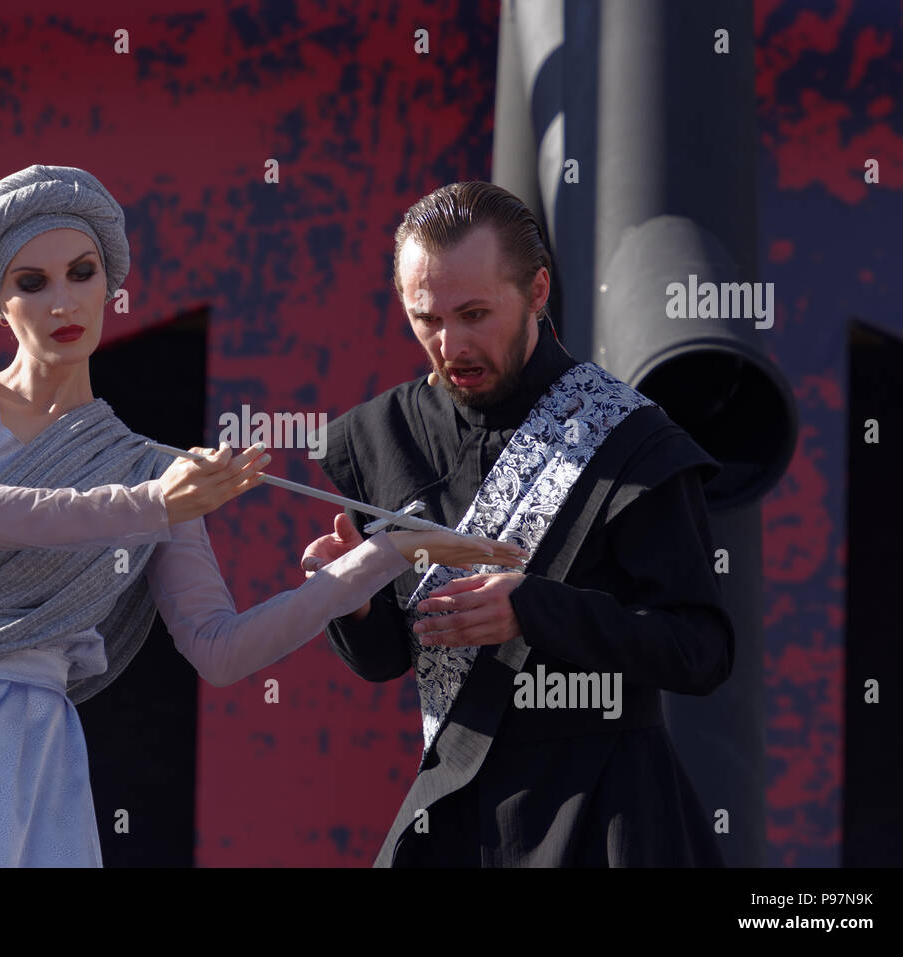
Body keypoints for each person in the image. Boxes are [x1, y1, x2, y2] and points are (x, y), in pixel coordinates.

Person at [0, 165, 525, 868]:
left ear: (111, 280)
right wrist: (153, 504)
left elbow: (219, 648)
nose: (64, 303)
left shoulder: (149, 469)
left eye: (82, 272)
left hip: (25, 747)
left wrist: (385, 553)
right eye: (31, 282)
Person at [302, 181, 735, 867]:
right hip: (454, 808)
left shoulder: (632, 440)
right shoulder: (379, 436)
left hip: (606, 808)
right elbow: (388, 659)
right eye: (426, 318)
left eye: (475, 313)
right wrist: (351, 602)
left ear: (537, 291)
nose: (451, 345)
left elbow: (702, 650)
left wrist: (536, 609)